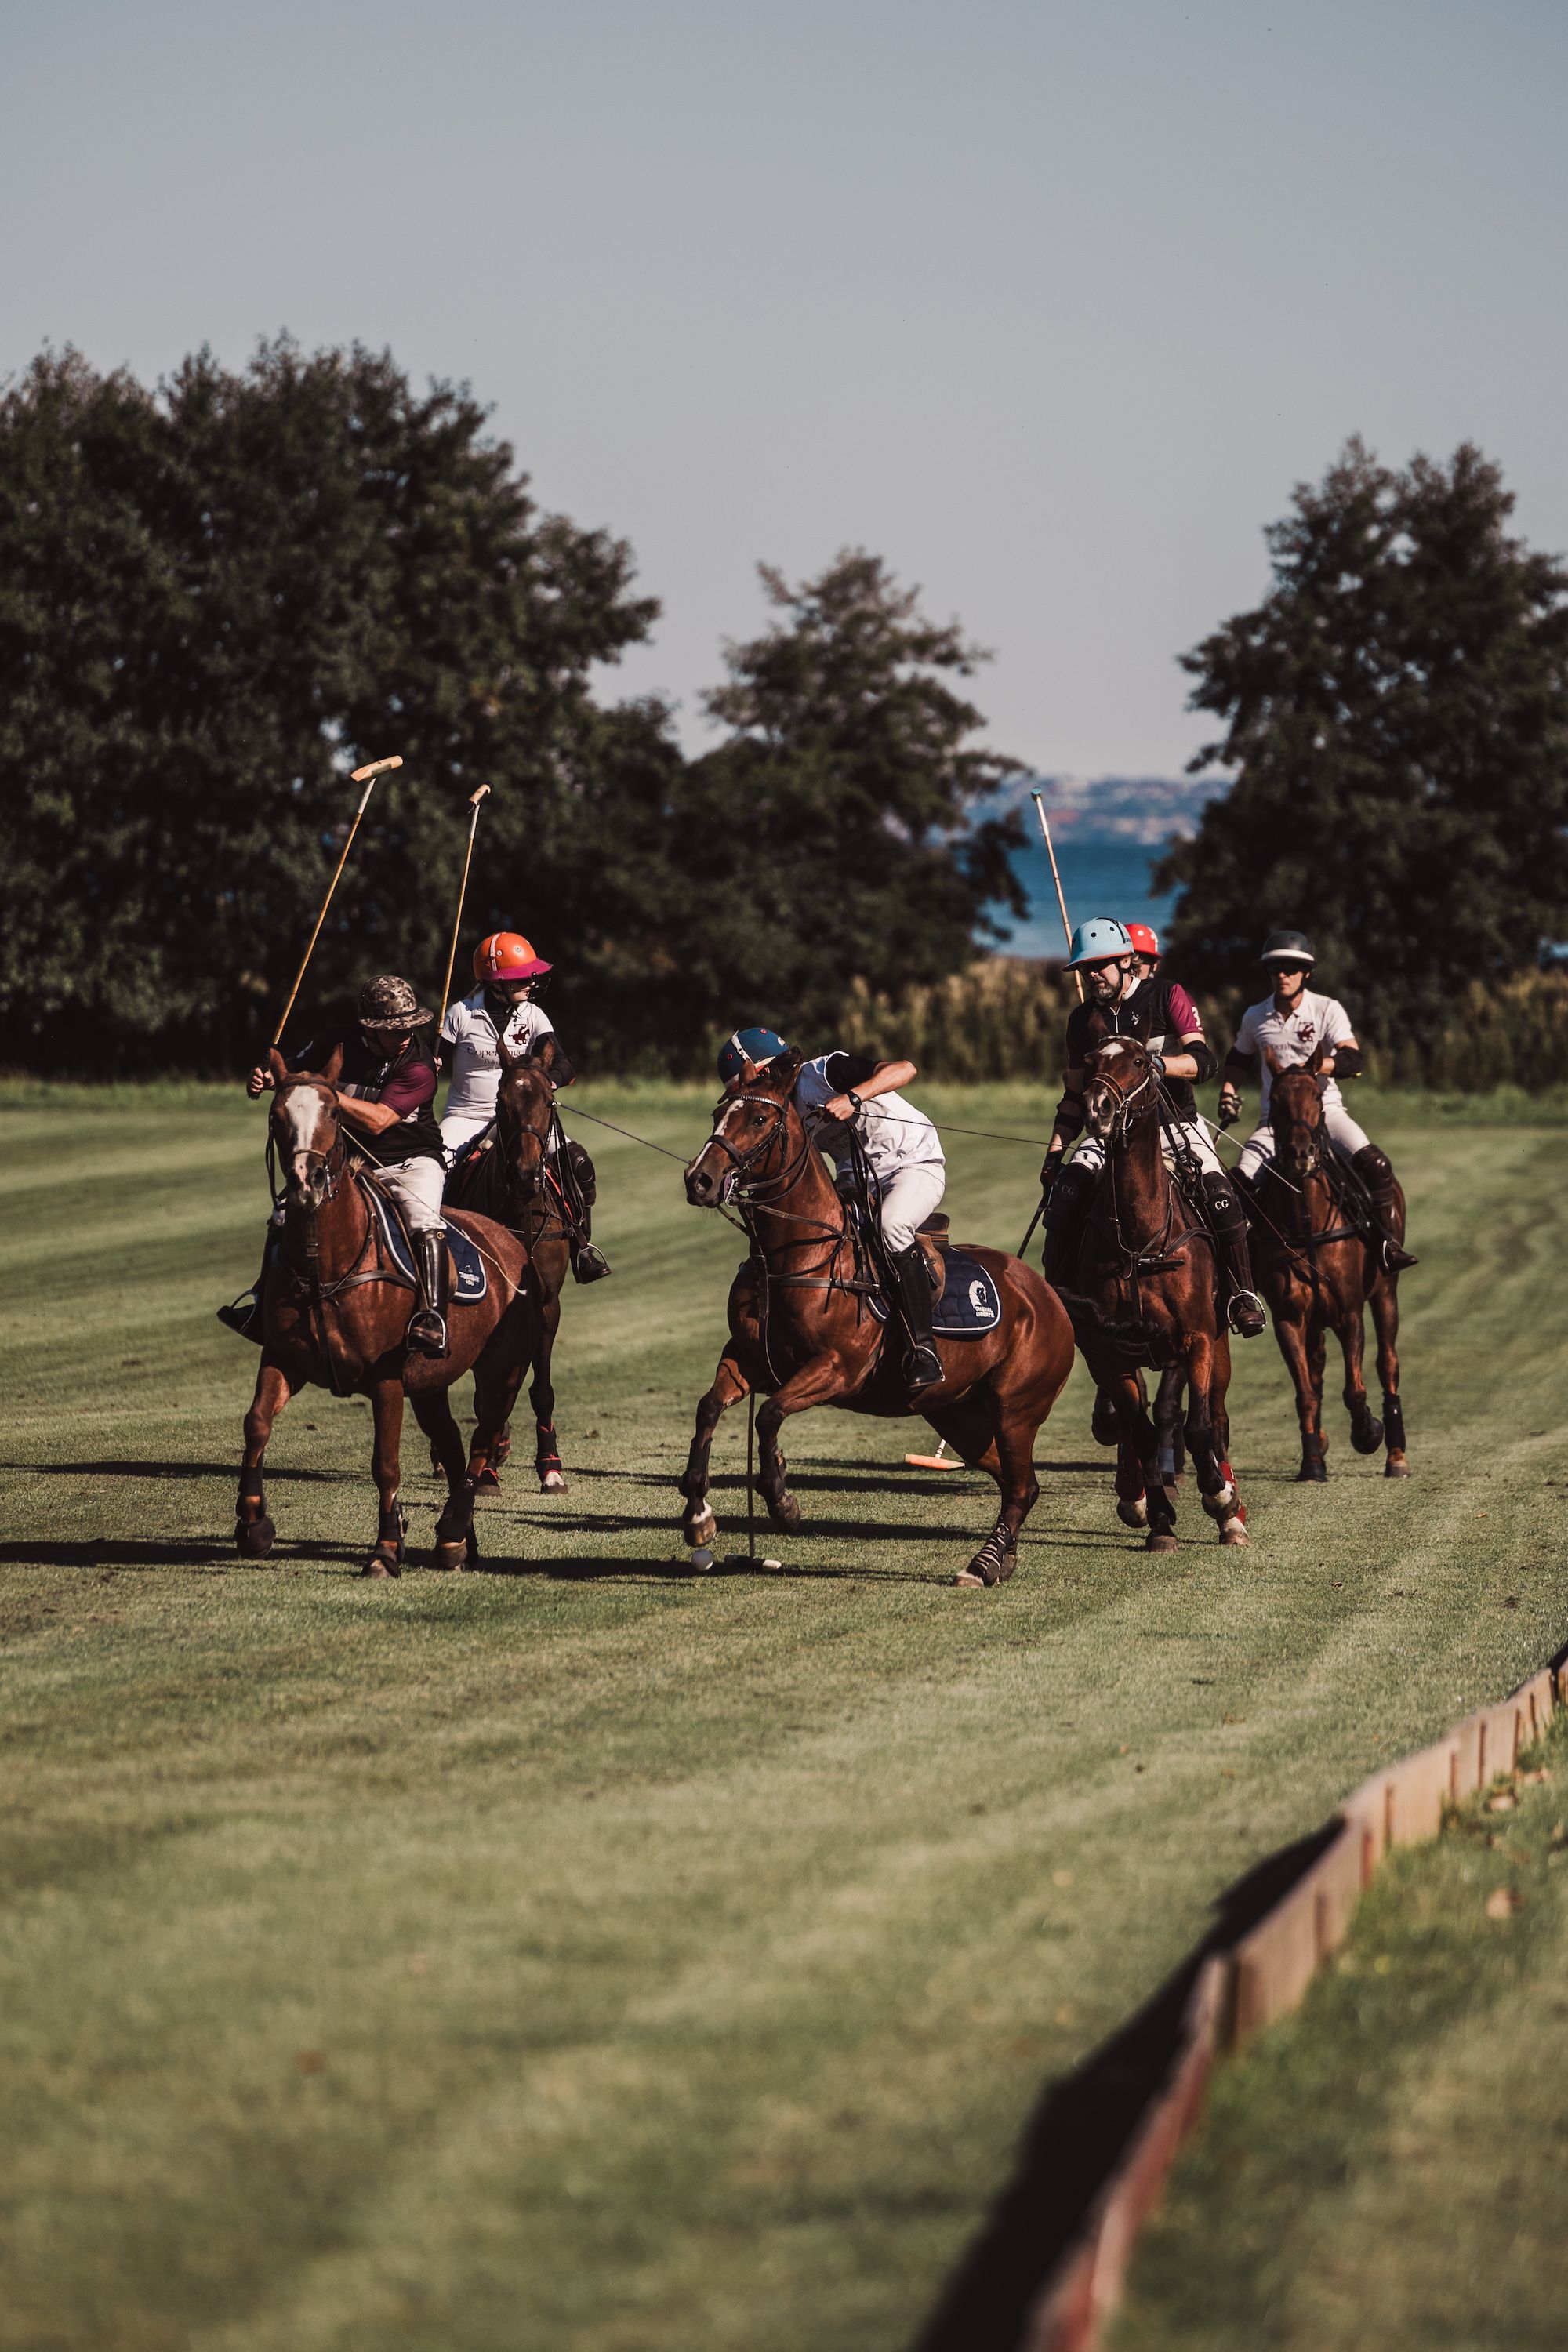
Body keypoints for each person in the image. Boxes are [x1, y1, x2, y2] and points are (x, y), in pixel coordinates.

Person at [1041, 918, 1266, 1338]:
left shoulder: (1165, 996)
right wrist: (1055, 1151)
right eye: (1085, 968)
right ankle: (1060, 1298)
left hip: (1174, 1126)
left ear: (1127, 961)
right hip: (1106, 1137)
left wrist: (1157, 1066)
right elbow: (1074, 1097)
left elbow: (1204, 1061)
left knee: (1220, 1194)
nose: (1092, 974)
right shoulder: (1081, 1021)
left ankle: (1242, 1293)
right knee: (1066, 1192)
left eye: (1101, 964)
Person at [218, 975, 453, 1355]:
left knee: (423, 1220)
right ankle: (261, 1307)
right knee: (283, 1214)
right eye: (396, 1028)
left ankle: (433, 1318)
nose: (407, 1034)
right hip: (350, 1164)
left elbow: (378, 1120)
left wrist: (326, 1095)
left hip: (410, 1162)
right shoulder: (335, 1042)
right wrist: (265, 1076)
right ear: (371, 1029)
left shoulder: (419, 1066)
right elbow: (292, 1075)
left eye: (411, 1025)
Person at [717, 1025, 946, 1396]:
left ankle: (923, 1349)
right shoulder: (777, 1108)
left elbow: (905, 1068)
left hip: (912, 1165)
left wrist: (853, 1098)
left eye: (741, 1086)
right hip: (856, 1179)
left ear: (760, 1071)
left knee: (891, 1226)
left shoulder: (822, 1073)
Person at [1221, 931, 1417, 1272]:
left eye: (1290, 968)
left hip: (1327, 1113)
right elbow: (1239, 1059)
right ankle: (1246, 1267)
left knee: (1377, 1166)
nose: (1282, 975)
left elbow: (1353, 1060)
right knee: (1239, 1182)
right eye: (1274, 969)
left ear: (1306, 973)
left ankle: (1387, 1244)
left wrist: (1312, 1068)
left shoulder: (1327, 1009)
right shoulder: (1256, 1016)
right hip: (1275, 1122)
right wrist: (1227, 1091)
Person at [439, 931, 608, 1283]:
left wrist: (543, 1084)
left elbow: (563, 1064)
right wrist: (432, 1063)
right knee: (434, 1170)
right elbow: (431, 1063)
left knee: (576, 1163)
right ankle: (435, 1252)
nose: (531, 981)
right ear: (496, 981)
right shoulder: (461, 1014)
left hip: (519, 1119)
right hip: (465, 1117)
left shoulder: (532, 1014)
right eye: (521, 977)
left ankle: (581, 1245)